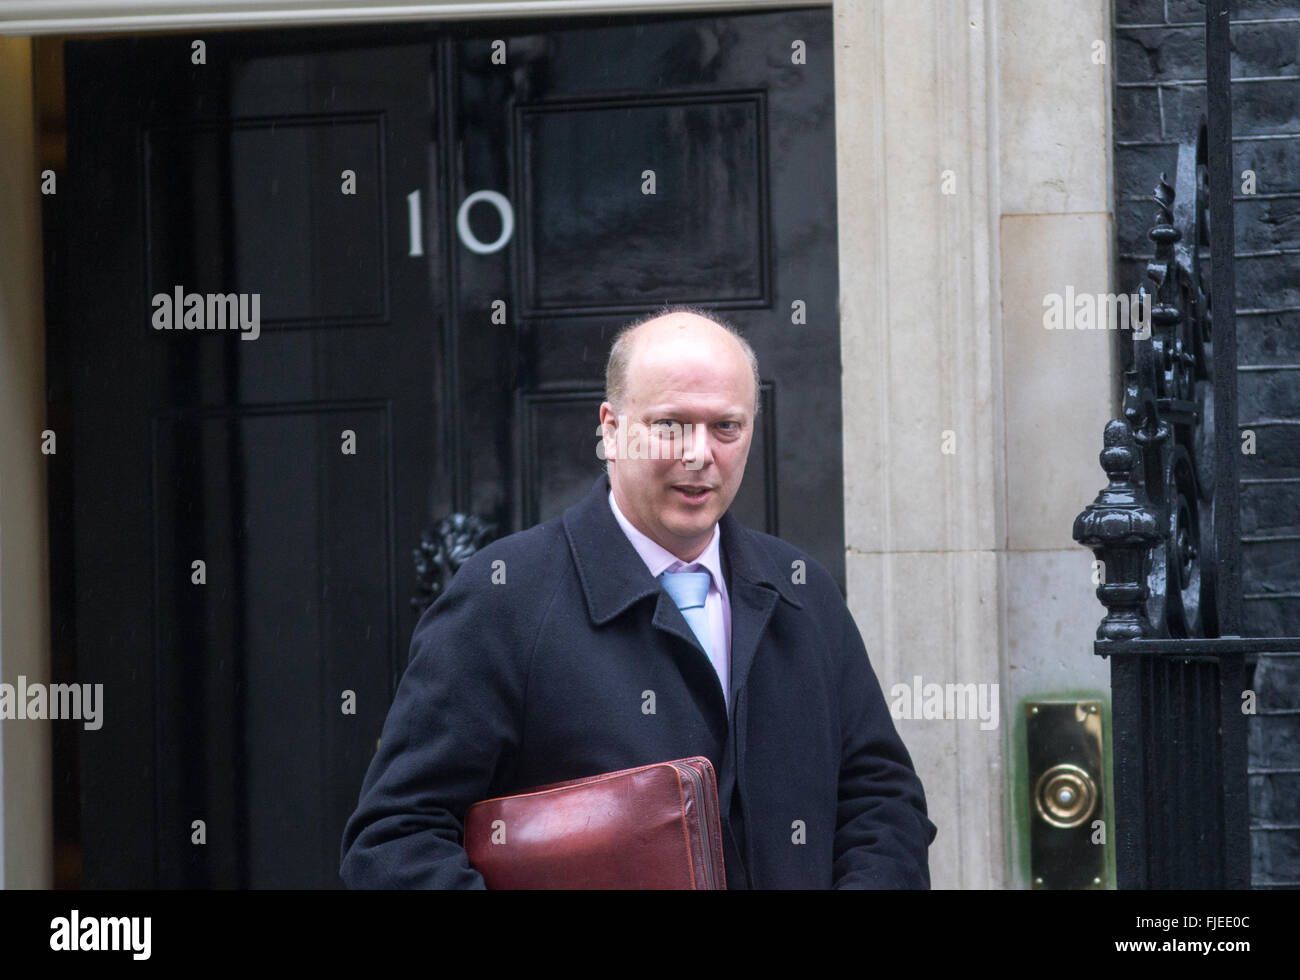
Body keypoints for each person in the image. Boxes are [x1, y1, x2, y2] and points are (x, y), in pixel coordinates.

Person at [339, 307, 937, 888]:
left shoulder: (803, 591)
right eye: (670, 424)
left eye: (726, 426)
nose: (699, 454)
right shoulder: (503, 598)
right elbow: (396, 837)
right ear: (610, 429)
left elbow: (884, 801)